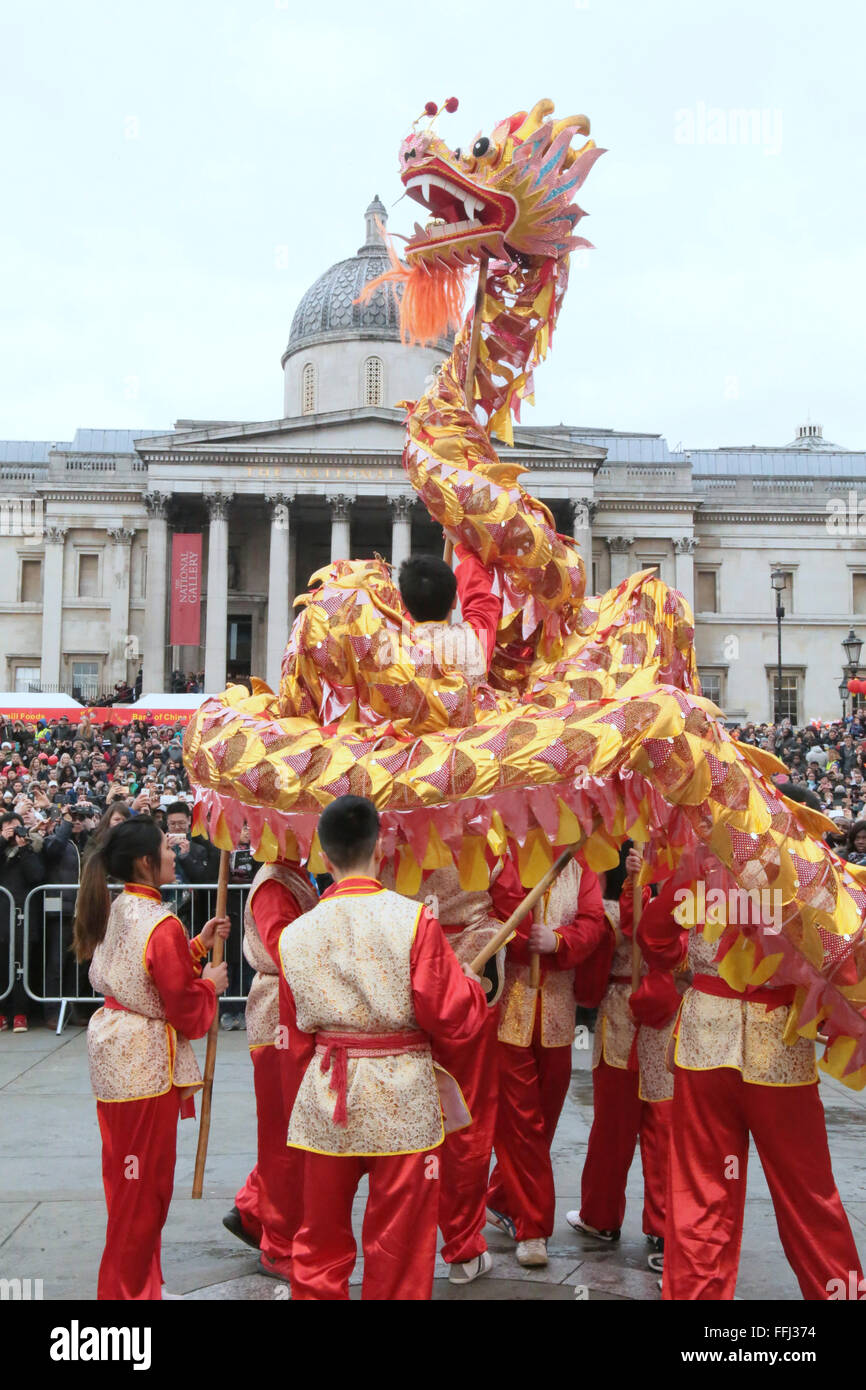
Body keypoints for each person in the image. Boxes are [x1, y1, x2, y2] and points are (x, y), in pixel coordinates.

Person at [279, 795, 491, 1301]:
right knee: (399, 1242)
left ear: (324, 857)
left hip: (328, 1094)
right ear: (381, 847)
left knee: (318, 1239)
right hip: (402, 1093)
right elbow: (448, 1013)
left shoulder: (295, 934)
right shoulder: (413, 919)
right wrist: (472, 986)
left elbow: (294, 1034)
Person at [637, 869, 863, 1301]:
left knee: (703, 1189)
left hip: (706, 1044)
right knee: (807, 1190)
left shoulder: (703, 869)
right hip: (778, 1048)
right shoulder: (809, 877)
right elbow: (842, 966)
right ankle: (840, 1293)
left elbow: (655, 938)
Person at [73, 817, 230, 1299]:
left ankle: (141, 1286)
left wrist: (198, 946)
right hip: (142, 1066)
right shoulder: (160, 922)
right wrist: (210, 984)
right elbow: (180, 1003)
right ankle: (125, 1295)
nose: (173, 854)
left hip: (118, 1057)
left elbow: (143, 973)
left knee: (126, 1186)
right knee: (143, 1194)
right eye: (166, 847)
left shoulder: (122, 907)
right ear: (146, 862)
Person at [486, 853, 607, 1268]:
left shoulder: (581, 867)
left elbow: (593, 923)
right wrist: (523, 942)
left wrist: (558, 941)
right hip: (508, 1011)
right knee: (522, 1124)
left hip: (558, 1012)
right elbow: (491, 918)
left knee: (546, 1118)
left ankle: (502, 1197)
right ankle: (533, 1228)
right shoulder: (502, 858)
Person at [568, 846, 684, 1272]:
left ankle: (601, 1219)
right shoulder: (681, 909)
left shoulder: (608, 911)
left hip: (622, 1015)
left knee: (612, 1130)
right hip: (664, 1018)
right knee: (663, 1128)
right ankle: (663, 1230)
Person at [223, 854, 319, 1278]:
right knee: (285, 1134)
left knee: (291, 1129)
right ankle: (280, 1245)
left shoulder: (291, 874)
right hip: (280, 1008)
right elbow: (285, 947)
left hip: (293, 1004)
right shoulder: (274, 883)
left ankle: (252, 1208)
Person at [0, 809, 46, 1032]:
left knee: (21, 965)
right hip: (2, 916)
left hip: (22, 916)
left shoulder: (30, 850)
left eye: (16, 826)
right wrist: (2, 840)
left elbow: (37, 875)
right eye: (7, 826)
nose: (12, 830)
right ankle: (1, 1012)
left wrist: (23, 848)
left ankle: (20, 1013)